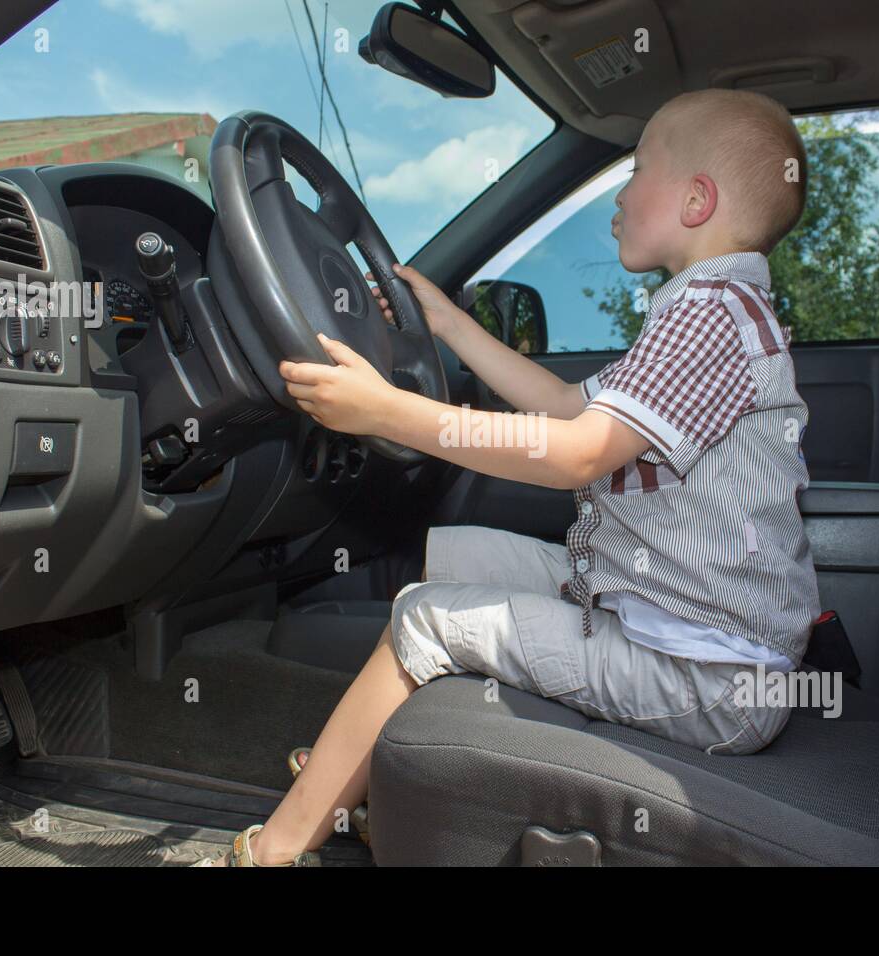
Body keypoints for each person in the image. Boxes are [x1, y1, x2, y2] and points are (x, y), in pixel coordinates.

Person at [196, 88, 820, 866]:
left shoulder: (711, 314)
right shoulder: (713, 307)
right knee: (458, 556)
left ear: (698, 201)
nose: (621, 195)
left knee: (425, 618)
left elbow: (579, 453)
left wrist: (386, 411)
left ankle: (274, 849)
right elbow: (566, 406)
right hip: (667, 612)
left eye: (637, 172)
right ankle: (349, 771)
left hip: (704, 674)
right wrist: (452, 324)